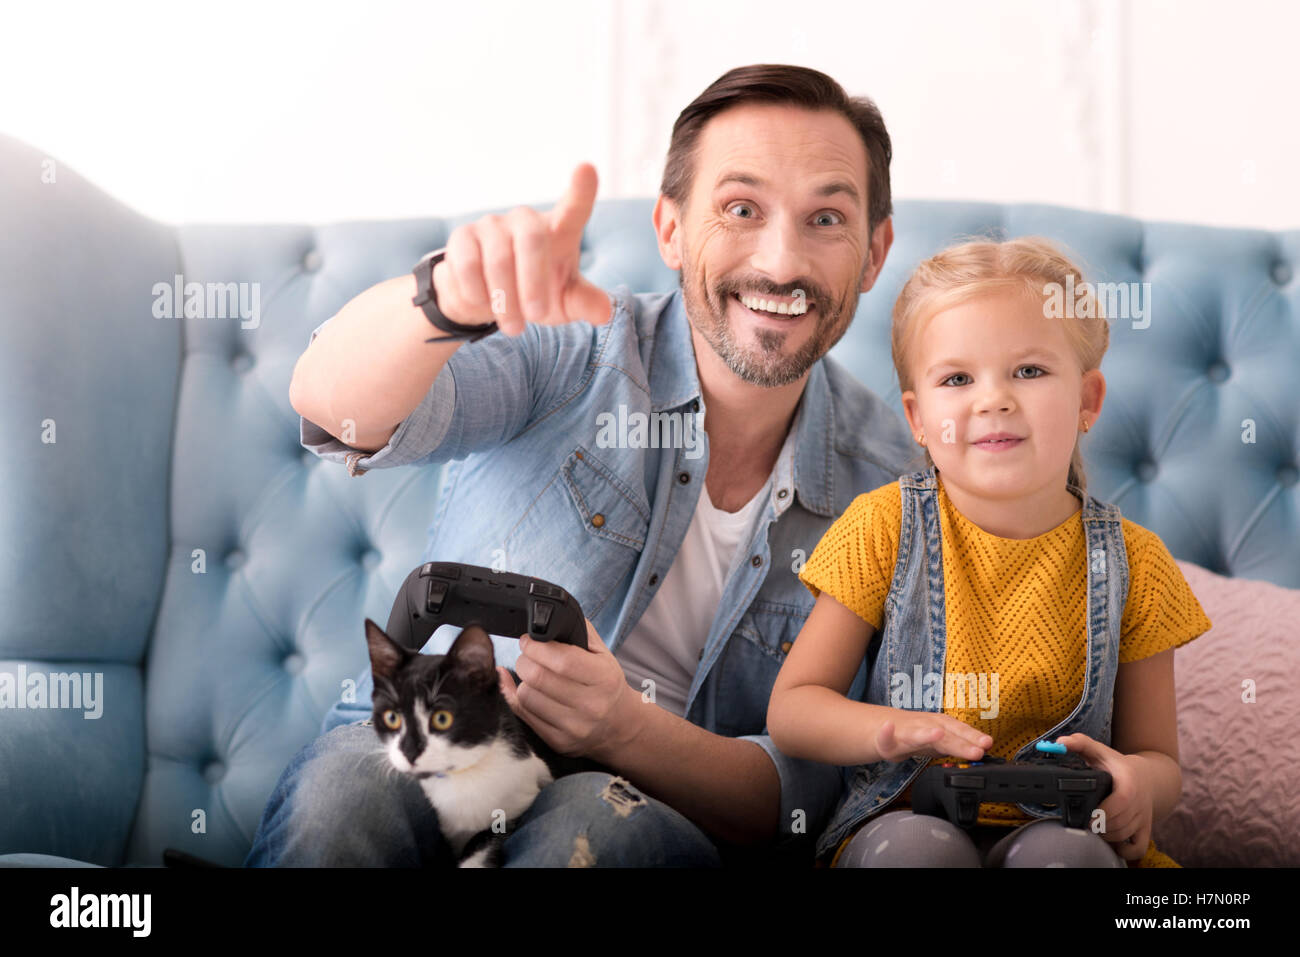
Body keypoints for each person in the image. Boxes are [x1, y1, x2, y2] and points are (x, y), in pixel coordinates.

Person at [245, 63, 917, 867]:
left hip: (655, 822)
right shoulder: (574, 350)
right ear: (670, 229)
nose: (780, 263)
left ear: (874, 253)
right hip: (433, 754)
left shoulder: (897, 489)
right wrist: (447, 300)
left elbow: (805, 801)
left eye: (826, 219)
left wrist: (626, 730)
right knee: (344, 794)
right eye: (741, 209)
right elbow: (331, 405)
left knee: (593, 825)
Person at [767, 237, 1213, 868]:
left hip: (1066, 830)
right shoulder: (882, 527)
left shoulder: (1135, 563)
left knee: (1066, 858)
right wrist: (891, 730)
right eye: (957, 378)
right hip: (906, 817)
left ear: (1088, 401)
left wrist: (1138, 786)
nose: (994, 398)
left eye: (1029, 371)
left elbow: (1159, 761)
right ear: (919, 420)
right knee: (917, 853)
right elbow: (793, 708)